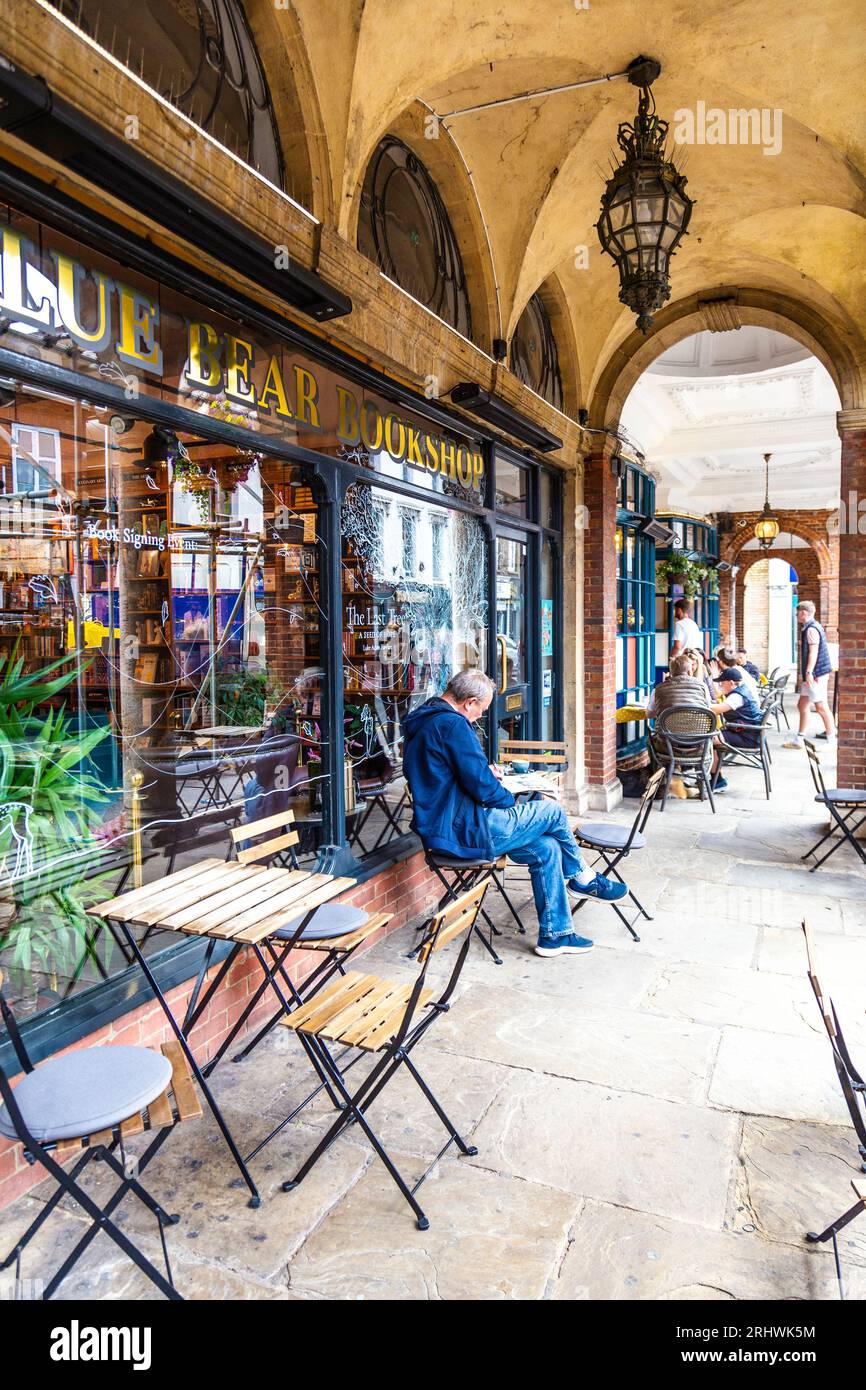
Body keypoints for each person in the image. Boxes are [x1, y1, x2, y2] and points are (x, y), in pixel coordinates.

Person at [402, 668, 628, 959]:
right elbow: (483, 789)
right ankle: (581, 877)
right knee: (551, 811)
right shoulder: (453, 725)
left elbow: (445, 774)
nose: (480, 716)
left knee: (546, 848)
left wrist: (485, 774)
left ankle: (556, 936)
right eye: (481, 710)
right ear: (469, 702)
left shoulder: (425, 717)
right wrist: (510, 800)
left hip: (444, 826)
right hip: (464, 830)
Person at [783, 600, 835, 748]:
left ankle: (831, 740)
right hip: (813, 674)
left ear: (803, 613)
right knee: (802, 705)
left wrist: (809, 672)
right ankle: (799, 739)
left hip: (816, 674)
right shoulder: (811, 627)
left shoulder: (811, 629)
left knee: (821, 706)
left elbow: (813, 652)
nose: (796, 615)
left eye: (797, 613)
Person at [709, 667, 763, 789]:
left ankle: (716, 780)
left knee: (709, 739)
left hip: (748, 737)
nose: (720, 685)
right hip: (749, 733)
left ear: (731, 683)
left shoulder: (737, 697)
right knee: (713, 738)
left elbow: (716, 710)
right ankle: (716, 778)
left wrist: (699, 703)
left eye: (722, 683)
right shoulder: (741, 690)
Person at [646, 650, 710, 719]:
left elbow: (649, 715)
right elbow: (707, 708)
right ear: (689, 672)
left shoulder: (657, 690)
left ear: (671, 673)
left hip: (666, 729)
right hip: (697, 729)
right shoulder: (703, 687)